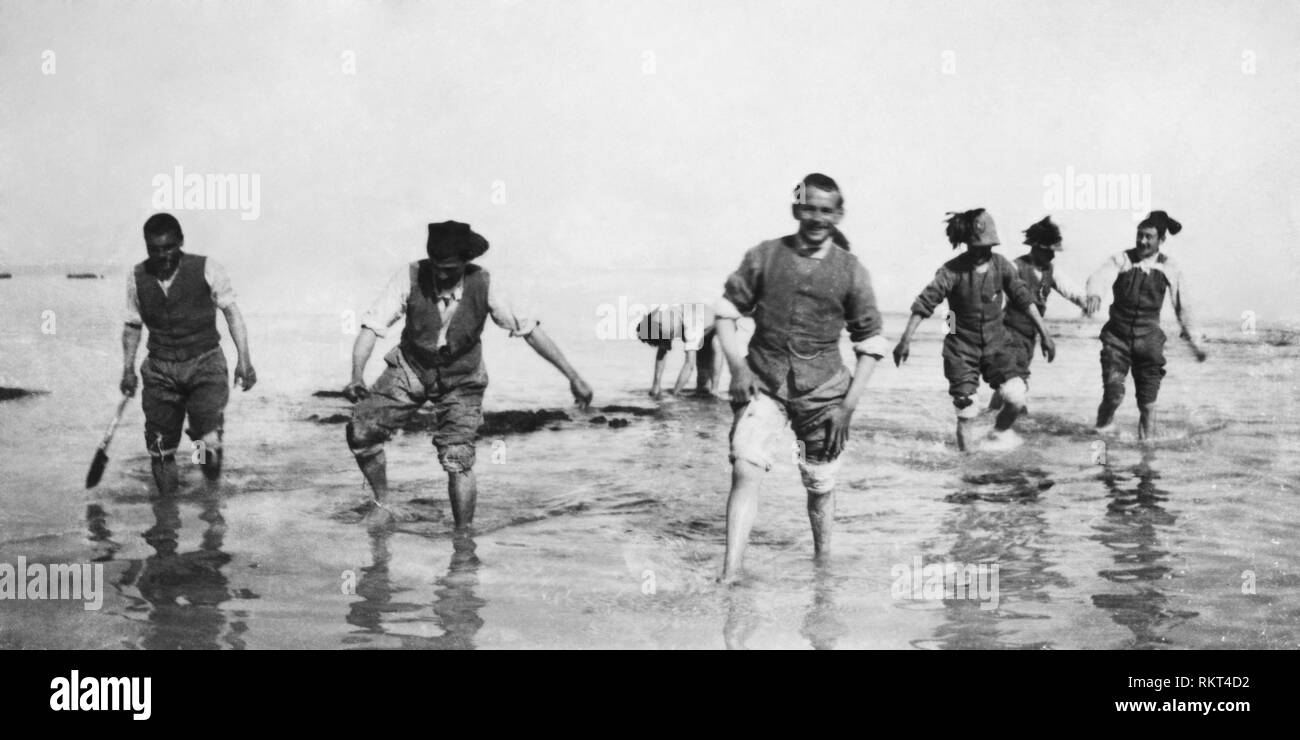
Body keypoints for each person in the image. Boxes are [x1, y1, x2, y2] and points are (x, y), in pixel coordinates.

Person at [343, 221, 594, 529]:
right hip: (412, 366)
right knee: (361, 431)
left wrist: (573, 376)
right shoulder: (409, 276)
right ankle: (383, 503)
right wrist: (356, 374)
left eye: (450, 269)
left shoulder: (485, 284)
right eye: (436, 267)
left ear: (465, 262)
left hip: (463, 378)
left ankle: (464, 538)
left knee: (458, 459)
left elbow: (530, 331)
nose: (441, 275)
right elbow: (372, 327)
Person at [714, 173, 887, 582]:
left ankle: (822, 564)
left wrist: (846, 408)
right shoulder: (764, 256)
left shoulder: (851, 271)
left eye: (826, 211)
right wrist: (738, 368)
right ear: (796, 209)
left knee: (819, 485)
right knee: (746, 464)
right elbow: (724, 314)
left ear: (838, 215)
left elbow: (871, 345)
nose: (816, 218)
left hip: (825, 392)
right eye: (809, 208)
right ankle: (730, 573)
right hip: (764, 381)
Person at [893, 209, 1054, 451]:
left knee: (1016, 396)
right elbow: (925, 303)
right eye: (977, 246)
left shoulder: (1001, 266)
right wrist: (905, 340)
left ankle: (998, 434)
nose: (982, 252)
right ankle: (968, 467)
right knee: (967, 409)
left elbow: (1024, 298)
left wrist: (1045, 334)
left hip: (997, 345)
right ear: (966, 243)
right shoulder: (950, 271)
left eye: (987, 246)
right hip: (961, 349)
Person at [120, 213, 256, 496]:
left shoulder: (207, 268)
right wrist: (128, 368)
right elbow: (133, 325)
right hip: (159, 369)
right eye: (154, 249)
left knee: (205, 441)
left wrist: (244, 360)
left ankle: (210, 497)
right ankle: (167, 515)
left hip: (205, 363)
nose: (162, 255)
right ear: (146, 246)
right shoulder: (137, 277)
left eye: (168, 247)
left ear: (180, 242)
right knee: (159, 448)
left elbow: (232, 313)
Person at [1084, 211, 1207, 440]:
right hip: (1117, 338)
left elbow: (1184, 307)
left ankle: (1147, 455)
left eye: (1149, 237)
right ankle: (1101, 432)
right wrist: (1094, 294)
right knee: (1114, 394)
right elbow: (1099, 276)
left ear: (1161, 240)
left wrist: (1195, 342)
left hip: (1149, 342)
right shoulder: (1122, 259)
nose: (1142, 241)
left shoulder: (1169, 266)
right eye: (1139, 235)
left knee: (1148, 404)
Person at [990, 216, 1091, 412]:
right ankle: (1012, 420)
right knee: (1017, 380)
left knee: (1009, 382)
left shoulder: (1050, 271)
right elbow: (996, 297)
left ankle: (991, 416)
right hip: (1008, 334)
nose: (1053, 256)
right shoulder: (1014, 267)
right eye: (1049, 251)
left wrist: (1087, 301)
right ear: (1037, 247)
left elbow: (1069, 289)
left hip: (1029, 337)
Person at [637, 302, 722, 398]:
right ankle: (703, 392)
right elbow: (662, 351)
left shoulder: (690, 327)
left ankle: (715, 390)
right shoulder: (658, 318)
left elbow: (689, 365)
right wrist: (656, 385)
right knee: (701, 388)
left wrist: (674, 394)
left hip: (715, 323)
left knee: (715, 346)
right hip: (694, 317)